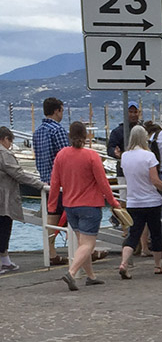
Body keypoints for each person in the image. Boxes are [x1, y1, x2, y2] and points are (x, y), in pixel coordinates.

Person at [48, 121, 119, 290]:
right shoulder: (92, 156)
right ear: (86, 136)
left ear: (69, 136)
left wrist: (52, 206)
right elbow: (103, 183)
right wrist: (114, 203)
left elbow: (54, 182)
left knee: (82, 243)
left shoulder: (61, 155)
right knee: (88, 244)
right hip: (89, 205)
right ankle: (71, 273)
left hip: (70, 206)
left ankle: (91, 276)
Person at [115, 125, 162, 279]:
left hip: (133, 201)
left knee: (133, 235)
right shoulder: (149, 156)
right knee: (155, 234)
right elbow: (154, 180)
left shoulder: (125, 157)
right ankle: (157, 266)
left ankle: (124, 263)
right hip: (151, 201)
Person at [0, 125, 50, 273]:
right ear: (5, 139)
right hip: (4, 197)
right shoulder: (4, 154)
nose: (10, 145)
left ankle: (5, 260)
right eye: (10, 141)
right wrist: (40, 184)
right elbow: (19, 174)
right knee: (4, 227)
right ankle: (3, 261)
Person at [32, 97, 70, 265]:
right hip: (62, 182)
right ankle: (85, 249)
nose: (62, 113)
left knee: (52, 218)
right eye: (61, 110)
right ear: (57, 111)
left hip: (46, 182)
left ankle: (51, 251)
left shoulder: (38, 131)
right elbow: (65, 156)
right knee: (74, 216)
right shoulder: (58, 130)